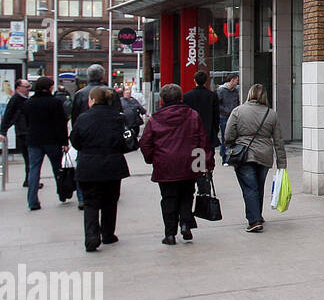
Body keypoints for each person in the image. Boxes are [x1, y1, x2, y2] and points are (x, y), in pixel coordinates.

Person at [139, 83, 212, 245]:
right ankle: (185, 223)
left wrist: (152, 158)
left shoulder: (155, 119)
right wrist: (206, 163)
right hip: (189, 163)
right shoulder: (192, 115)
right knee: (187, 195)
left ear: (162, 99)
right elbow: (203, 141)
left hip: (165, 165)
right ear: (180, 97)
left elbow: (145, 143)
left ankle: (170, 234)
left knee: (168, 198)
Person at [69, 86, 130, 252]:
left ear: (93, 100)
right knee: (110, 201)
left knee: (90, 203)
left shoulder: (83, 118)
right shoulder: (117, 117)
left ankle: (91, 236)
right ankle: (108, 234)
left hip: (89, 165)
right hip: (112, 164)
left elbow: (75, 140)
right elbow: (124, 142)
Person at [223, 83, 287, 233]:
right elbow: (278, 140)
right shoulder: (271, 114)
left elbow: (228, 135)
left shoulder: (238, 111)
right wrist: (282, 163)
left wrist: (233, 145)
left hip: (244, 155)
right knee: (258, 186)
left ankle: (254, 220)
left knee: (249, 188)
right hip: (265, 155)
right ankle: (257, 215)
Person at [23, 77, 71, 211]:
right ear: (48, 87)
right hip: (52, 141)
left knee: (34, 170)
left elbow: (27, 121)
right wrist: (64, 141)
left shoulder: (29, 103)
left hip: (34, 140)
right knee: (58, 169)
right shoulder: (55, 102)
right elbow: (61, 123)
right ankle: (62, 193)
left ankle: (32, 201)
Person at [1, 77, 35, 187]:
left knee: (29, 157)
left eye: (29, 87)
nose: (28, 89)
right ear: (19, 88)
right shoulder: (16, 99)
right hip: (23, 132)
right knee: (29, 156)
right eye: (26, 87)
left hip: (26, 131)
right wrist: (3, 131)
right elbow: (8, 115)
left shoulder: (24, 99)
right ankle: (29, 179)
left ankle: (29, 179)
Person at [183, 71, 220, 149]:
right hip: (208, 130)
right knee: (208, 156)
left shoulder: (187, 96)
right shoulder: (212, 96)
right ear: (206, 81)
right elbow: (216, 116)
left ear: (194, 80)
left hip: (192, 131)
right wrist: (215, 130)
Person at [216, 73, 240, 164]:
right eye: (237, 80)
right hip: (224, 117)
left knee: (234, 137)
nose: (237, 82)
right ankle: (224, 159)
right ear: (232, 80)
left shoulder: (235, 91)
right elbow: (218, 104)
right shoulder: (221, 91)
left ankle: (231, 156)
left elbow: (237, 102)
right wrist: (226, 110)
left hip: (234, 116)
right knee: (225, 137)